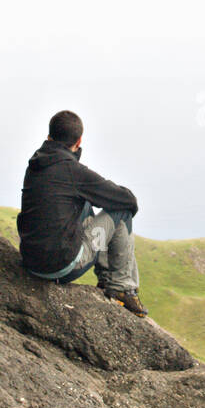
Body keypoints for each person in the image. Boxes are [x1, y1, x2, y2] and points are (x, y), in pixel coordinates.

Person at [17, 110, 147, 315]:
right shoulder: (72, 170)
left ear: (49, 136)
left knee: (83, 202)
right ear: (79, 141)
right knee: (121, 212)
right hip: (59, 266)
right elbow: (127, 200)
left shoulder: (35, 164)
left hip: (31, 261)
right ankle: (122, 288)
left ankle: (106, 280)